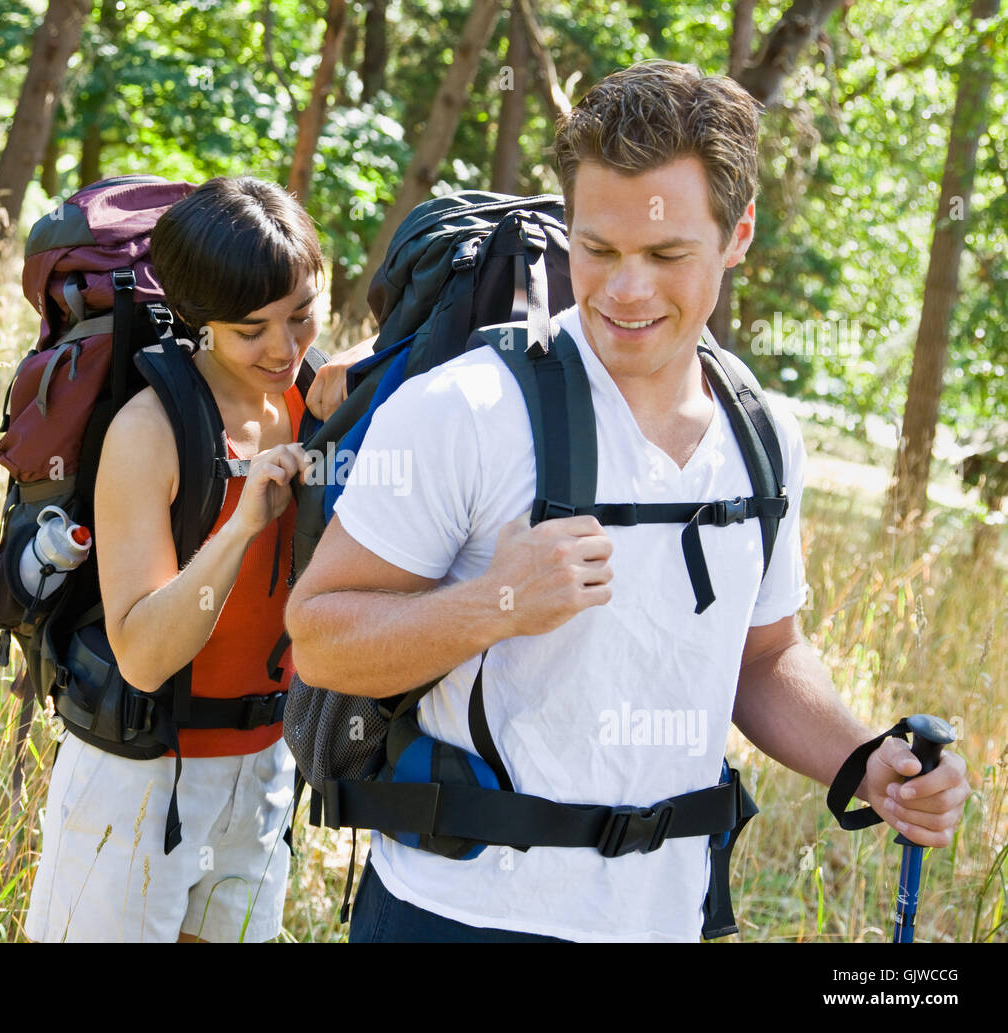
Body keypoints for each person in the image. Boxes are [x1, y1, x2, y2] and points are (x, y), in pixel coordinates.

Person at [284, 60, 971, 942]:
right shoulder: (467, 410)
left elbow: (762, 659)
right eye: (596, 249)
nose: (625, 289)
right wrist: (496, 602)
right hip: (460, 915)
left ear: (738, 234)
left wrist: (863, 758)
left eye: (665, 255)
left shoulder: (764, 436)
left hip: (669, 916)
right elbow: (321, 636)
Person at [24, 175, 360, 942]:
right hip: (140, 775)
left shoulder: (322, 396)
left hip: (264, 765)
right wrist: (240, 527)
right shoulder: (150, 431)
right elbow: (142, 653)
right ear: (195, 320)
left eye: (302, 315)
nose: (284, 347)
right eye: (251, 330)